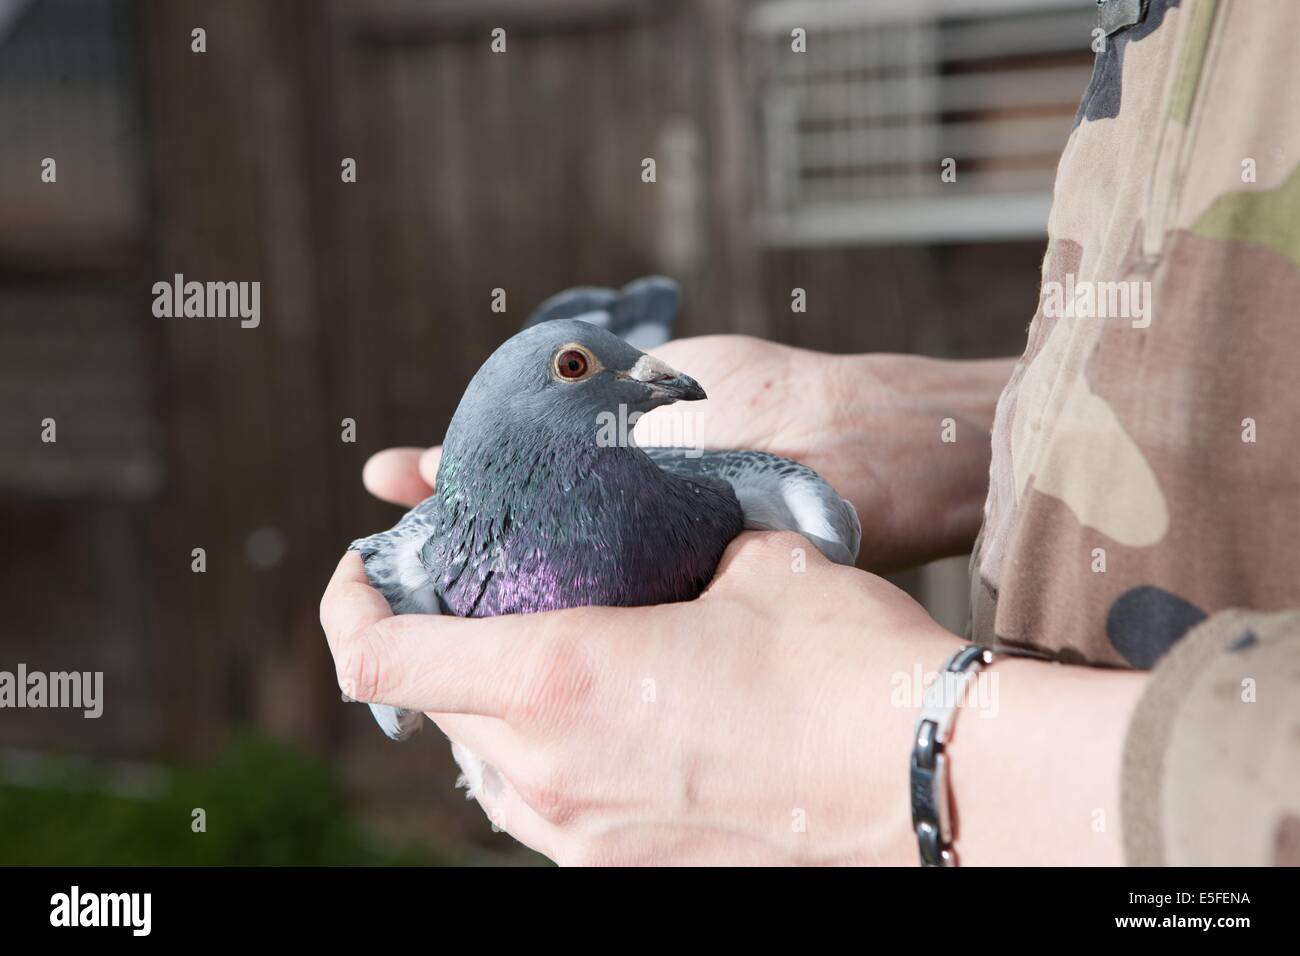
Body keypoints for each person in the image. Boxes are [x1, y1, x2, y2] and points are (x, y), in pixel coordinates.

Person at [320, 0, 1299, 865]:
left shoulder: (736, 494)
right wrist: (898, 428)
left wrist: (903, 765)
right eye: (582, 367)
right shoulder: (426, 551)